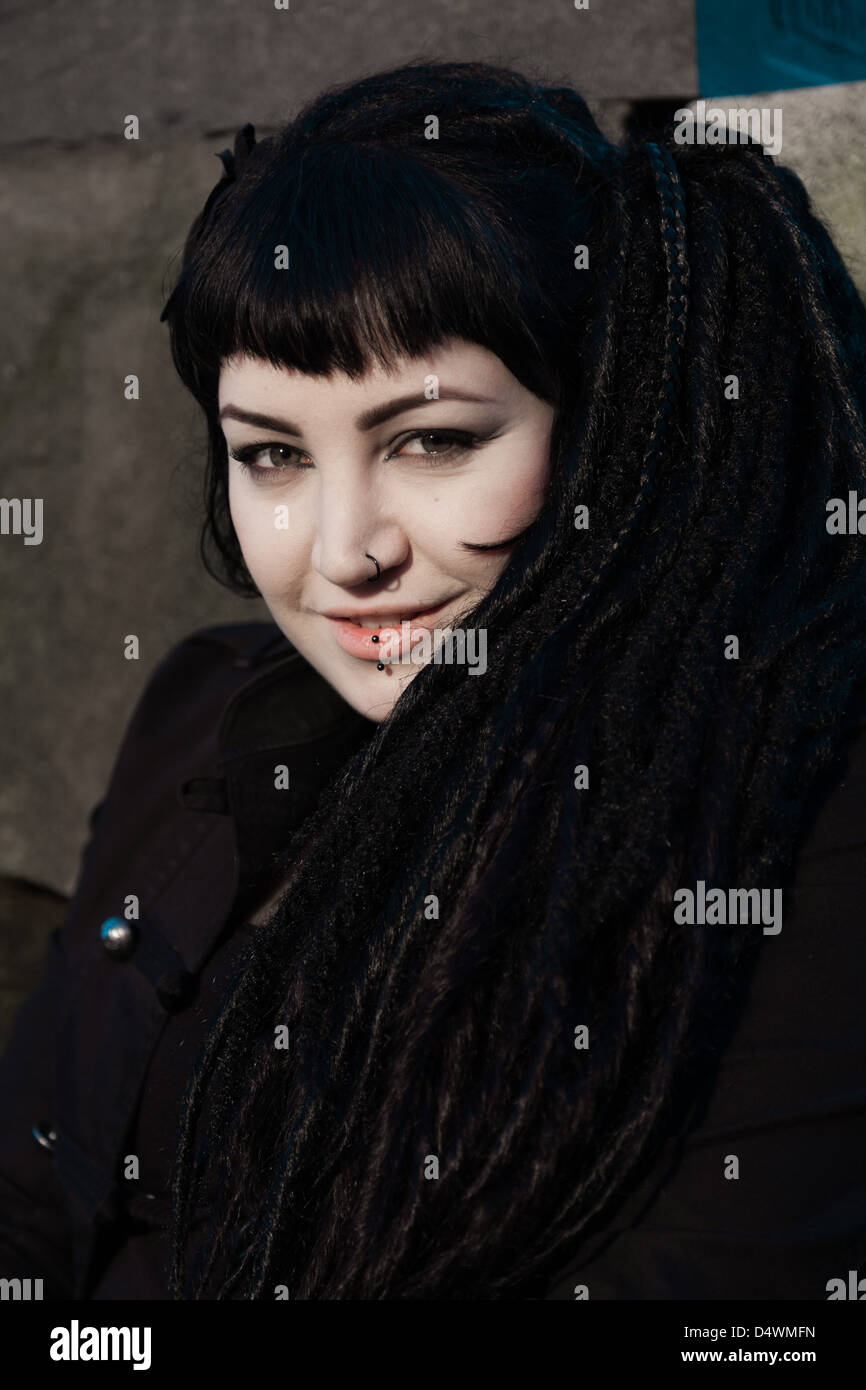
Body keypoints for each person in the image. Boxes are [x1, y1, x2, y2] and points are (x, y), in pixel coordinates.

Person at [2, 58, 866, 1302]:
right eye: (272, 455)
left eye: (432, 440)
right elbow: (33, 1180)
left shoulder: (792, 826)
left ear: (602, 431)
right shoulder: (202, 707)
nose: (348, 551)